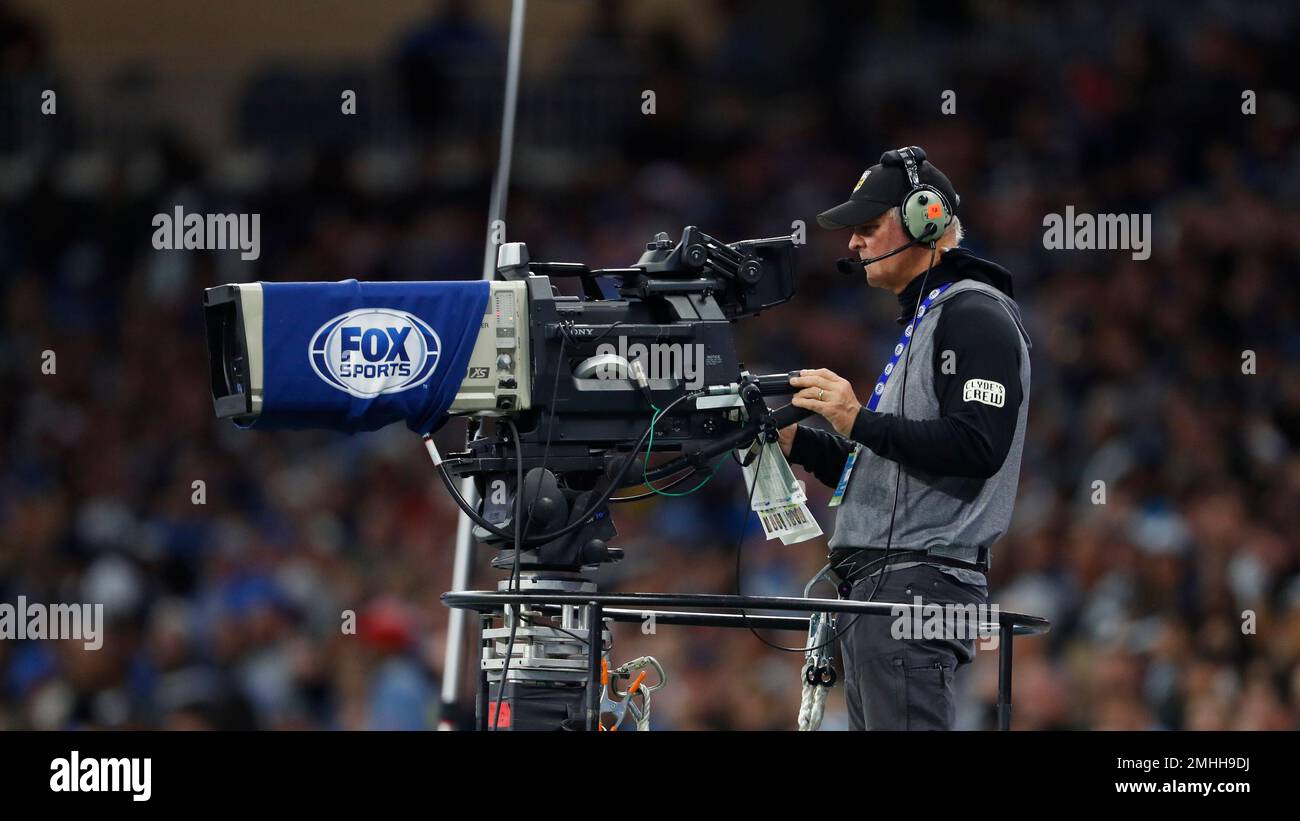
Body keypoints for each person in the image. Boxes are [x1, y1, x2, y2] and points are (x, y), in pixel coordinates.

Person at [778, 146, 1032, 730]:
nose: (853, 243)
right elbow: (888, 469)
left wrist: (856, 419)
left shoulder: (974, 317)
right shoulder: (932, 318)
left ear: (928, 220)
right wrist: (804, 443)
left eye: (869, 227)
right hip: (884, 592)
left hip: (915, 590)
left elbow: (976, 448)